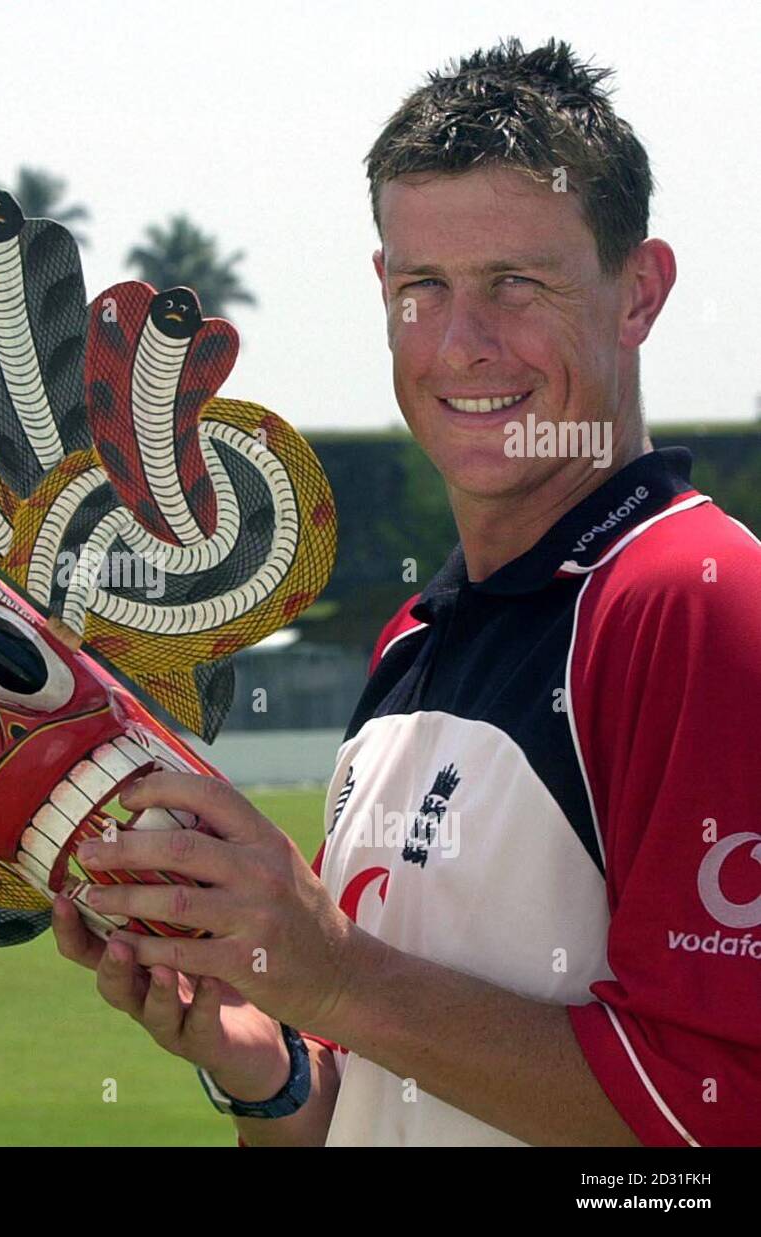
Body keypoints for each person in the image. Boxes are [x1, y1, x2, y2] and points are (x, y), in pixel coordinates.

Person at [52, 36, 761, 1147]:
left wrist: (331, 976)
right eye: (425, 286)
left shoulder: (693, 602)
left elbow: (720, 1105)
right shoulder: (413, 638)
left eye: (518, 284)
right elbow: (382, 1107)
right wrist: (275, 1068)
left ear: (640, 292)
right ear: (383, 292)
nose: (465, 346)